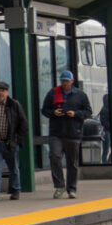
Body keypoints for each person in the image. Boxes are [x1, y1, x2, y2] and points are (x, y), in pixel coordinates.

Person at [40, 70, 91, 199]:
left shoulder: (81, 95)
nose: (64, 83)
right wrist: (53, 112)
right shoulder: (53, 93)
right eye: (63, 80)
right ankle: (59, 186)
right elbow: (44, 110)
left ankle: (72, 189)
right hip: (56, 133)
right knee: (54, 156)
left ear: (72, 81)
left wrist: (75, 114)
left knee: (72, 163)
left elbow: (88, 111)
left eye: (67, 81)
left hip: (73, 133)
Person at [97, 94, 112, 164]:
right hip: (107, 131)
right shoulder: (105, 109)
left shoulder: (104, 109)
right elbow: (104, 122)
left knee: (106, 149)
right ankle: (106, 162)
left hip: (107, 131)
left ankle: (106, 162)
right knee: (107, 149)